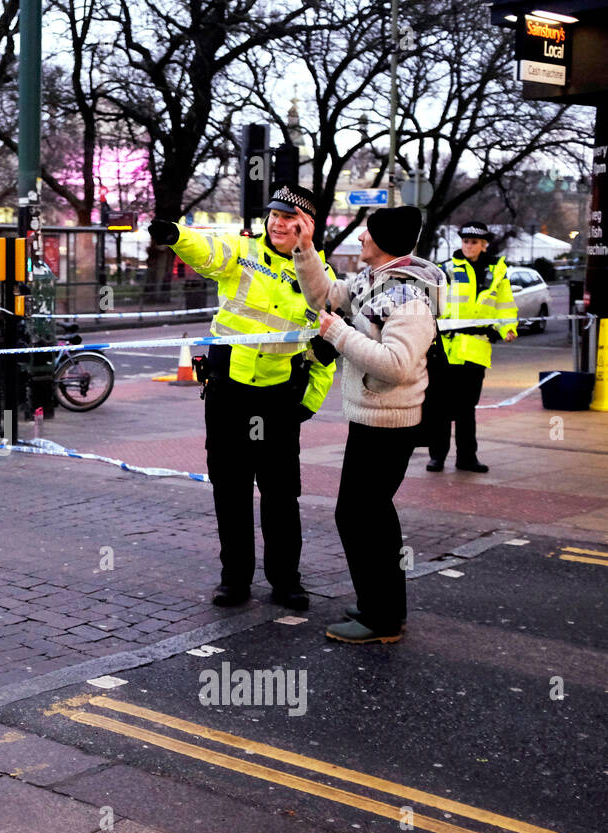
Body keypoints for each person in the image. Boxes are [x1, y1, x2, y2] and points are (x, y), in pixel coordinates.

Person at [149, 185, 337, 612]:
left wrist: (309, 403)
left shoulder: (319, 278)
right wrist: (176, 234)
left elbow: (324, 354)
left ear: (308, 227)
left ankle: (286, 581)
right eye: (274, 215)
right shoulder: (244, 251)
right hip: (229, 394)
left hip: (278, 399)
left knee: (281, 495)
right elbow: (207, 251)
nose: (278, 223)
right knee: (230, 491)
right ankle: (234, 579)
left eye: (290, 219)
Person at [292, 205, 445, 644]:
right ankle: (381, 606)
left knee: (361, 516)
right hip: (370, 418)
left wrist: (337, 334)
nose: (360, 238)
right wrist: (305, 250)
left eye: (367, 232)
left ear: (383, 241)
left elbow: (396, 365)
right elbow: (323, 296)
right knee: (369, 516)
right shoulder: (372, 282)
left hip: (390, 423)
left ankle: (382, 617)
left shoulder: (409, 300)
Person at [424, 222, 518, 473]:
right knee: (440, 407)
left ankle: (466, 458)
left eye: (474, 242)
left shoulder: (496, 270)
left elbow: (504, 305)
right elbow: (431, 305)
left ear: (484, 244)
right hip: (446, 348)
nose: (468, 246)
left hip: (476, 348)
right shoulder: (446, 268)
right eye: (465, 241)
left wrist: (508, 328)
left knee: (467, 409)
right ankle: (437, 456)